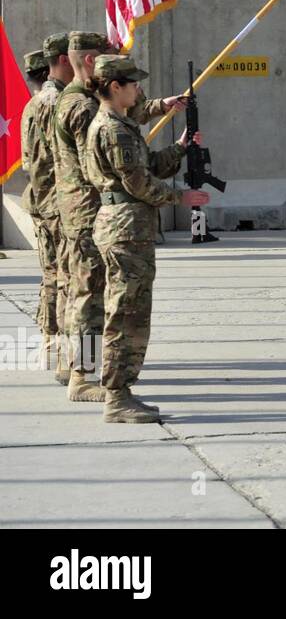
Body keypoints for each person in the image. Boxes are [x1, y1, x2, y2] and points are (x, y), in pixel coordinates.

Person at [53, 32, 187, 402]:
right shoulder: (81, 108)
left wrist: (164, 108)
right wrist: (174, 193)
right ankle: (83, 374)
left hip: (99, 209)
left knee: (101, 295)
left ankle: (83, 369)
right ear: (93, 60)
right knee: (94, 297)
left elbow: (132, 113)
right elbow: (112, 162)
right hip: (92, 209)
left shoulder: (86, 100)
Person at [81, 55, 208, 422]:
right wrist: (178, 198)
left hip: (127, 228)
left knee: (131, 310)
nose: (139, 89)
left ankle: (122, 392)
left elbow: (147, 166)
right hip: (124, 229)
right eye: (133, 83)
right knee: (126, 313)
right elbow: (137, 183)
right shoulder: (114, 129)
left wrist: (181, 148)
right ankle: (117, 397)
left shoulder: (121, 124)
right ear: (114, 87)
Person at [19, 34, 71, 367]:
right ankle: (54, 344)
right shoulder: (52, 103)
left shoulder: (32, 104)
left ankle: (50, 343)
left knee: (51, 273)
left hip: (41, 197)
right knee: (59, 275)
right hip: (54, 200)